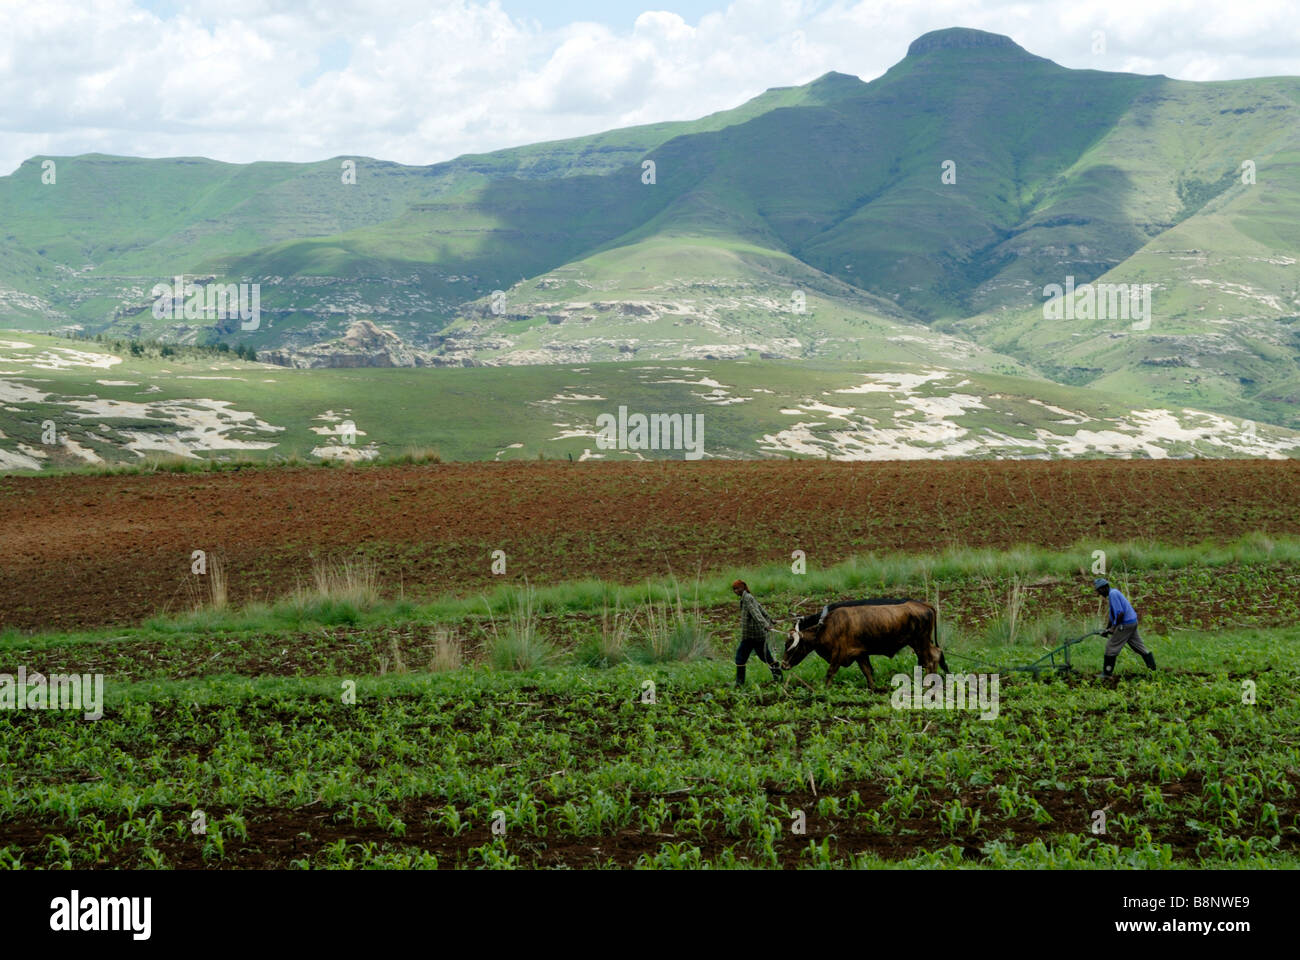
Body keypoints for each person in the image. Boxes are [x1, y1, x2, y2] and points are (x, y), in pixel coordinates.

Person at [1094, 578, 1156, 677]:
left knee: (1111, 646)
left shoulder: (1113, 594)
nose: (1099, 594)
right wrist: (1107, 629)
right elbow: (1112, 616)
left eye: (1099, 591)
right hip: (1132, 622)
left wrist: (1113, 628)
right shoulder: (1113, 593)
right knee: (1139, 647)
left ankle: (1107, 673)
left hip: (1125, 624)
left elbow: (1120, 613)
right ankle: (1153, 670)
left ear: (1104, 588)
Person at [731, 579, 783, 687]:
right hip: (758, 635)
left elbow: (755, 613)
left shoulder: (747, 598)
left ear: (743, 587)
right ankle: (779, 678)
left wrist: (766, 624)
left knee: (740, 658)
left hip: (751, 636)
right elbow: (761, 609)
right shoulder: (748, 597)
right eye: (734, 589)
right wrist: (770, 620)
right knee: (766, 657)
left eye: (738, 588)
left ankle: (739, 683)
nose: (736, 591)